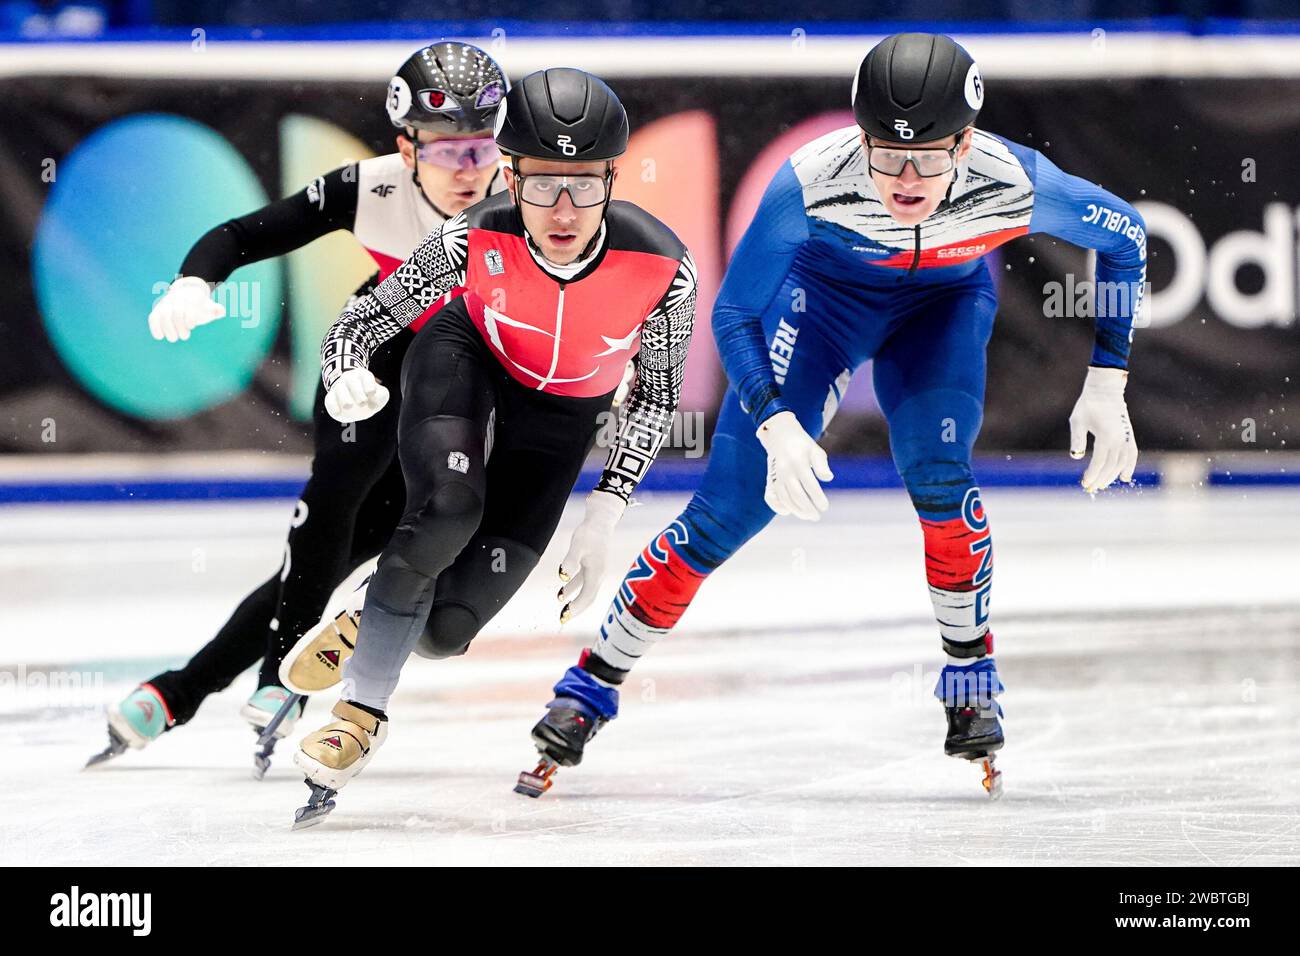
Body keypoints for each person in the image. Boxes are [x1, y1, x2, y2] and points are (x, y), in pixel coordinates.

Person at [518, 32, 1146, 800]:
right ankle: (590, 688)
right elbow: (738, 311)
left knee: (939, 476)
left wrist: (1109, 377)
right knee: (727, 512)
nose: (904, 179)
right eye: (884, 153)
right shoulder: (810, 182)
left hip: (943, 307)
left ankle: (970, 675)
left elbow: (1127, 239)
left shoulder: (1018, 181)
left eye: (927, 157)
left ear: (969, 142)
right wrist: (776, 422)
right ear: (858, 136)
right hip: (824, 310)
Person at [288, 67, 698, 829]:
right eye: (542, 185)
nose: (564, 209)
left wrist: (604, 513)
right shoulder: (470, 237)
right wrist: (344, 369)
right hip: (465, 364)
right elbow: (364, 322)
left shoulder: (665, 269)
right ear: (511, 175)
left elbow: (656, 397)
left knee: (447, 634)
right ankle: (360, 712)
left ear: (614, 176)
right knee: (447, 509)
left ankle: (364, 614)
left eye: (583, 184)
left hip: (563, 417)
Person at [87, 41, 509, 773]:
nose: (469, 171)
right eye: (448, 152)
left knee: (354, 548)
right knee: (335, 496)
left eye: (481, 149)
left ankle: (179, 690)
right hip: (370, 350)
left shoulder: (525, 201)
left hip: (457, 376)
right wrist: (196, 282)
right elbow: (242, 236)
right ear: (406, 149)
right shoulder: (367, 188)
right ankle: (280, 676)